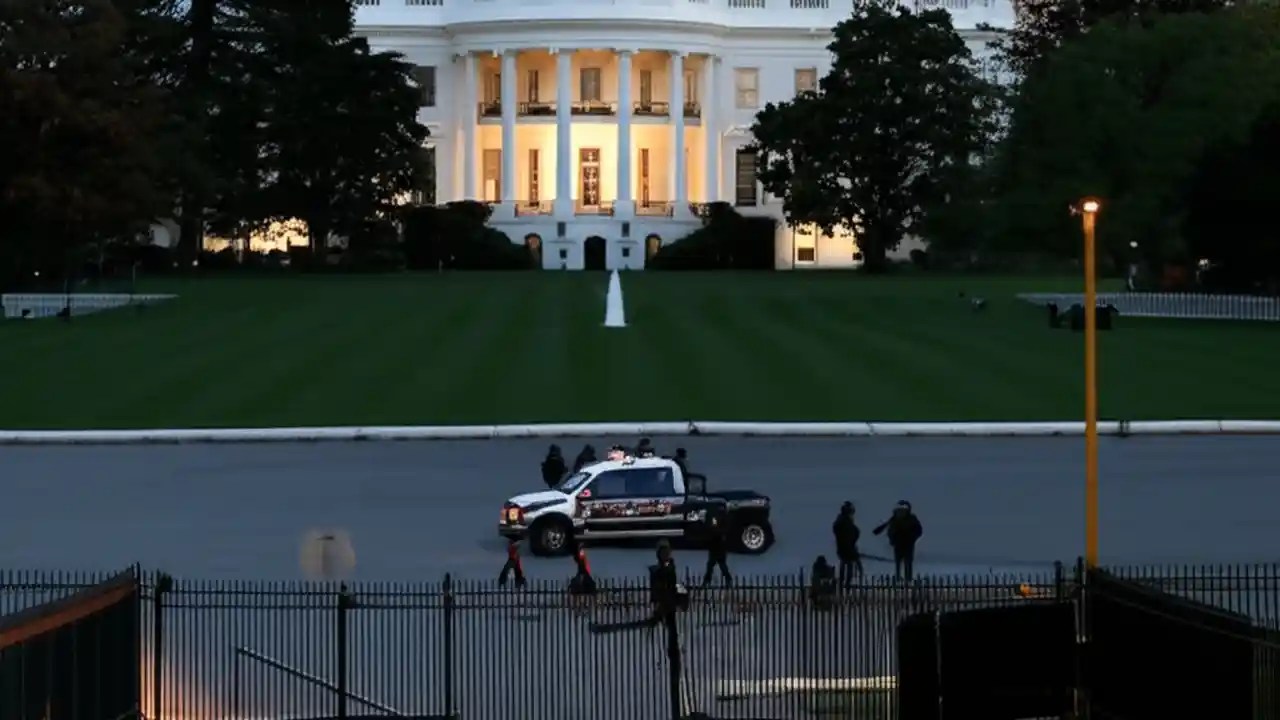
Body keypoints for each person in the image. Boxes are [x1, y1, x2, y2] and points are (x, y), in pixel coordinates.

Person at [873, 501, 924, 583]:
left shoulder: (896, 518)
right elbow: (919, 531)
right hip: (905, 544)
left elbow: (885, 530)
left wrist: (893, 539)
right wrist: (912, 539)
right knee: (907, 563)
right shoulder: (907, 518)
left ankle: (901, 579)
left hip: (902, 544)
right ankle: (907, 579)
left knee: (901, 563)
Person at [832, 501, 863, 588]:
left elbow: (854, 534)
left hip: (846, 548)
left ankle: (845, 584)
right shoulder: (843, 522)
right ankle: (846, 585)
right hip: (846, 549)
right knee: (849, 566)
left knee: (847, 565)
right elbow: (851, 534)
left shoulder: (843, 521)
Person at [700, 509, 733, 588]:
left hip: (718, 546)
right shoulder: (718, 519)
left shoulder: (720, 520)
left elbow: (717, 530)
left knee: (718, 565)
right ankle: (708, 581)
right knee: (713, 565)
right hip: (716, 545)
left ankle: (708, 581)